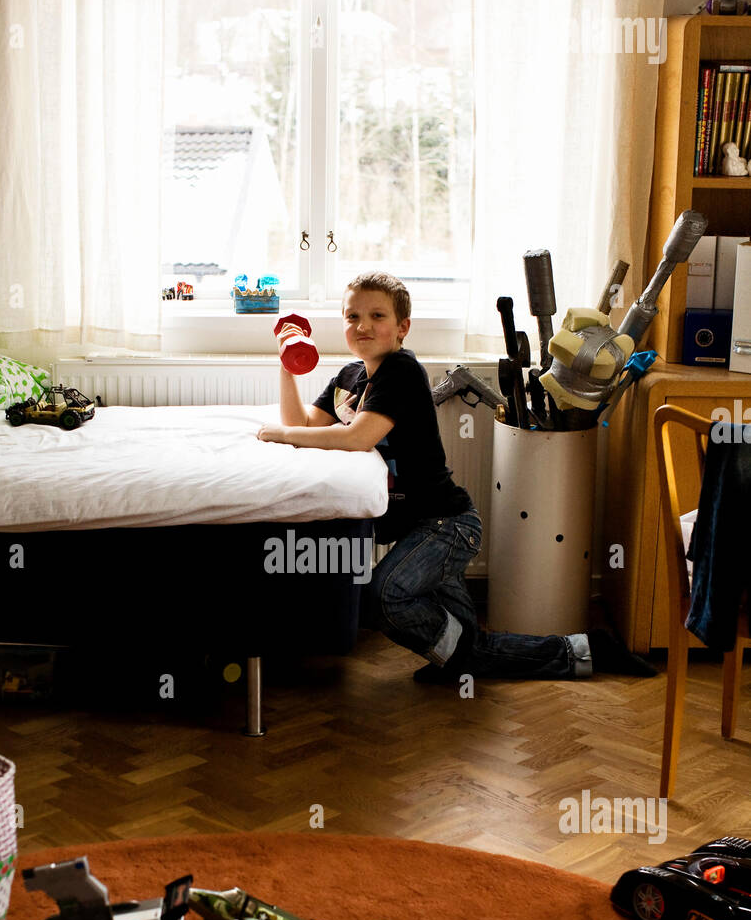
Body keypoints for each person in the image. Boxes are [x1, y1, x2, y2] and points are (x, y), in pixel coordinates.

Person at [257, 271, 656, 682]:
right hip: (419, 528)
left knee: (383, 596)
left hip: (446, 525)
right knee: (470, 648)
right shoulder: (349, 378)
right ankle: (586, 650)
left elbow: (358, 437)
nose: (362, 326)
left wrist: (284, 434)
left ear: (402, 328)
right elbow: (305, 422)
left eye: (377, 316)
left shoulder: (401, 371)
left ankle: (459, 659)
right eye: (352, 316)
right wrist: (287, 367)